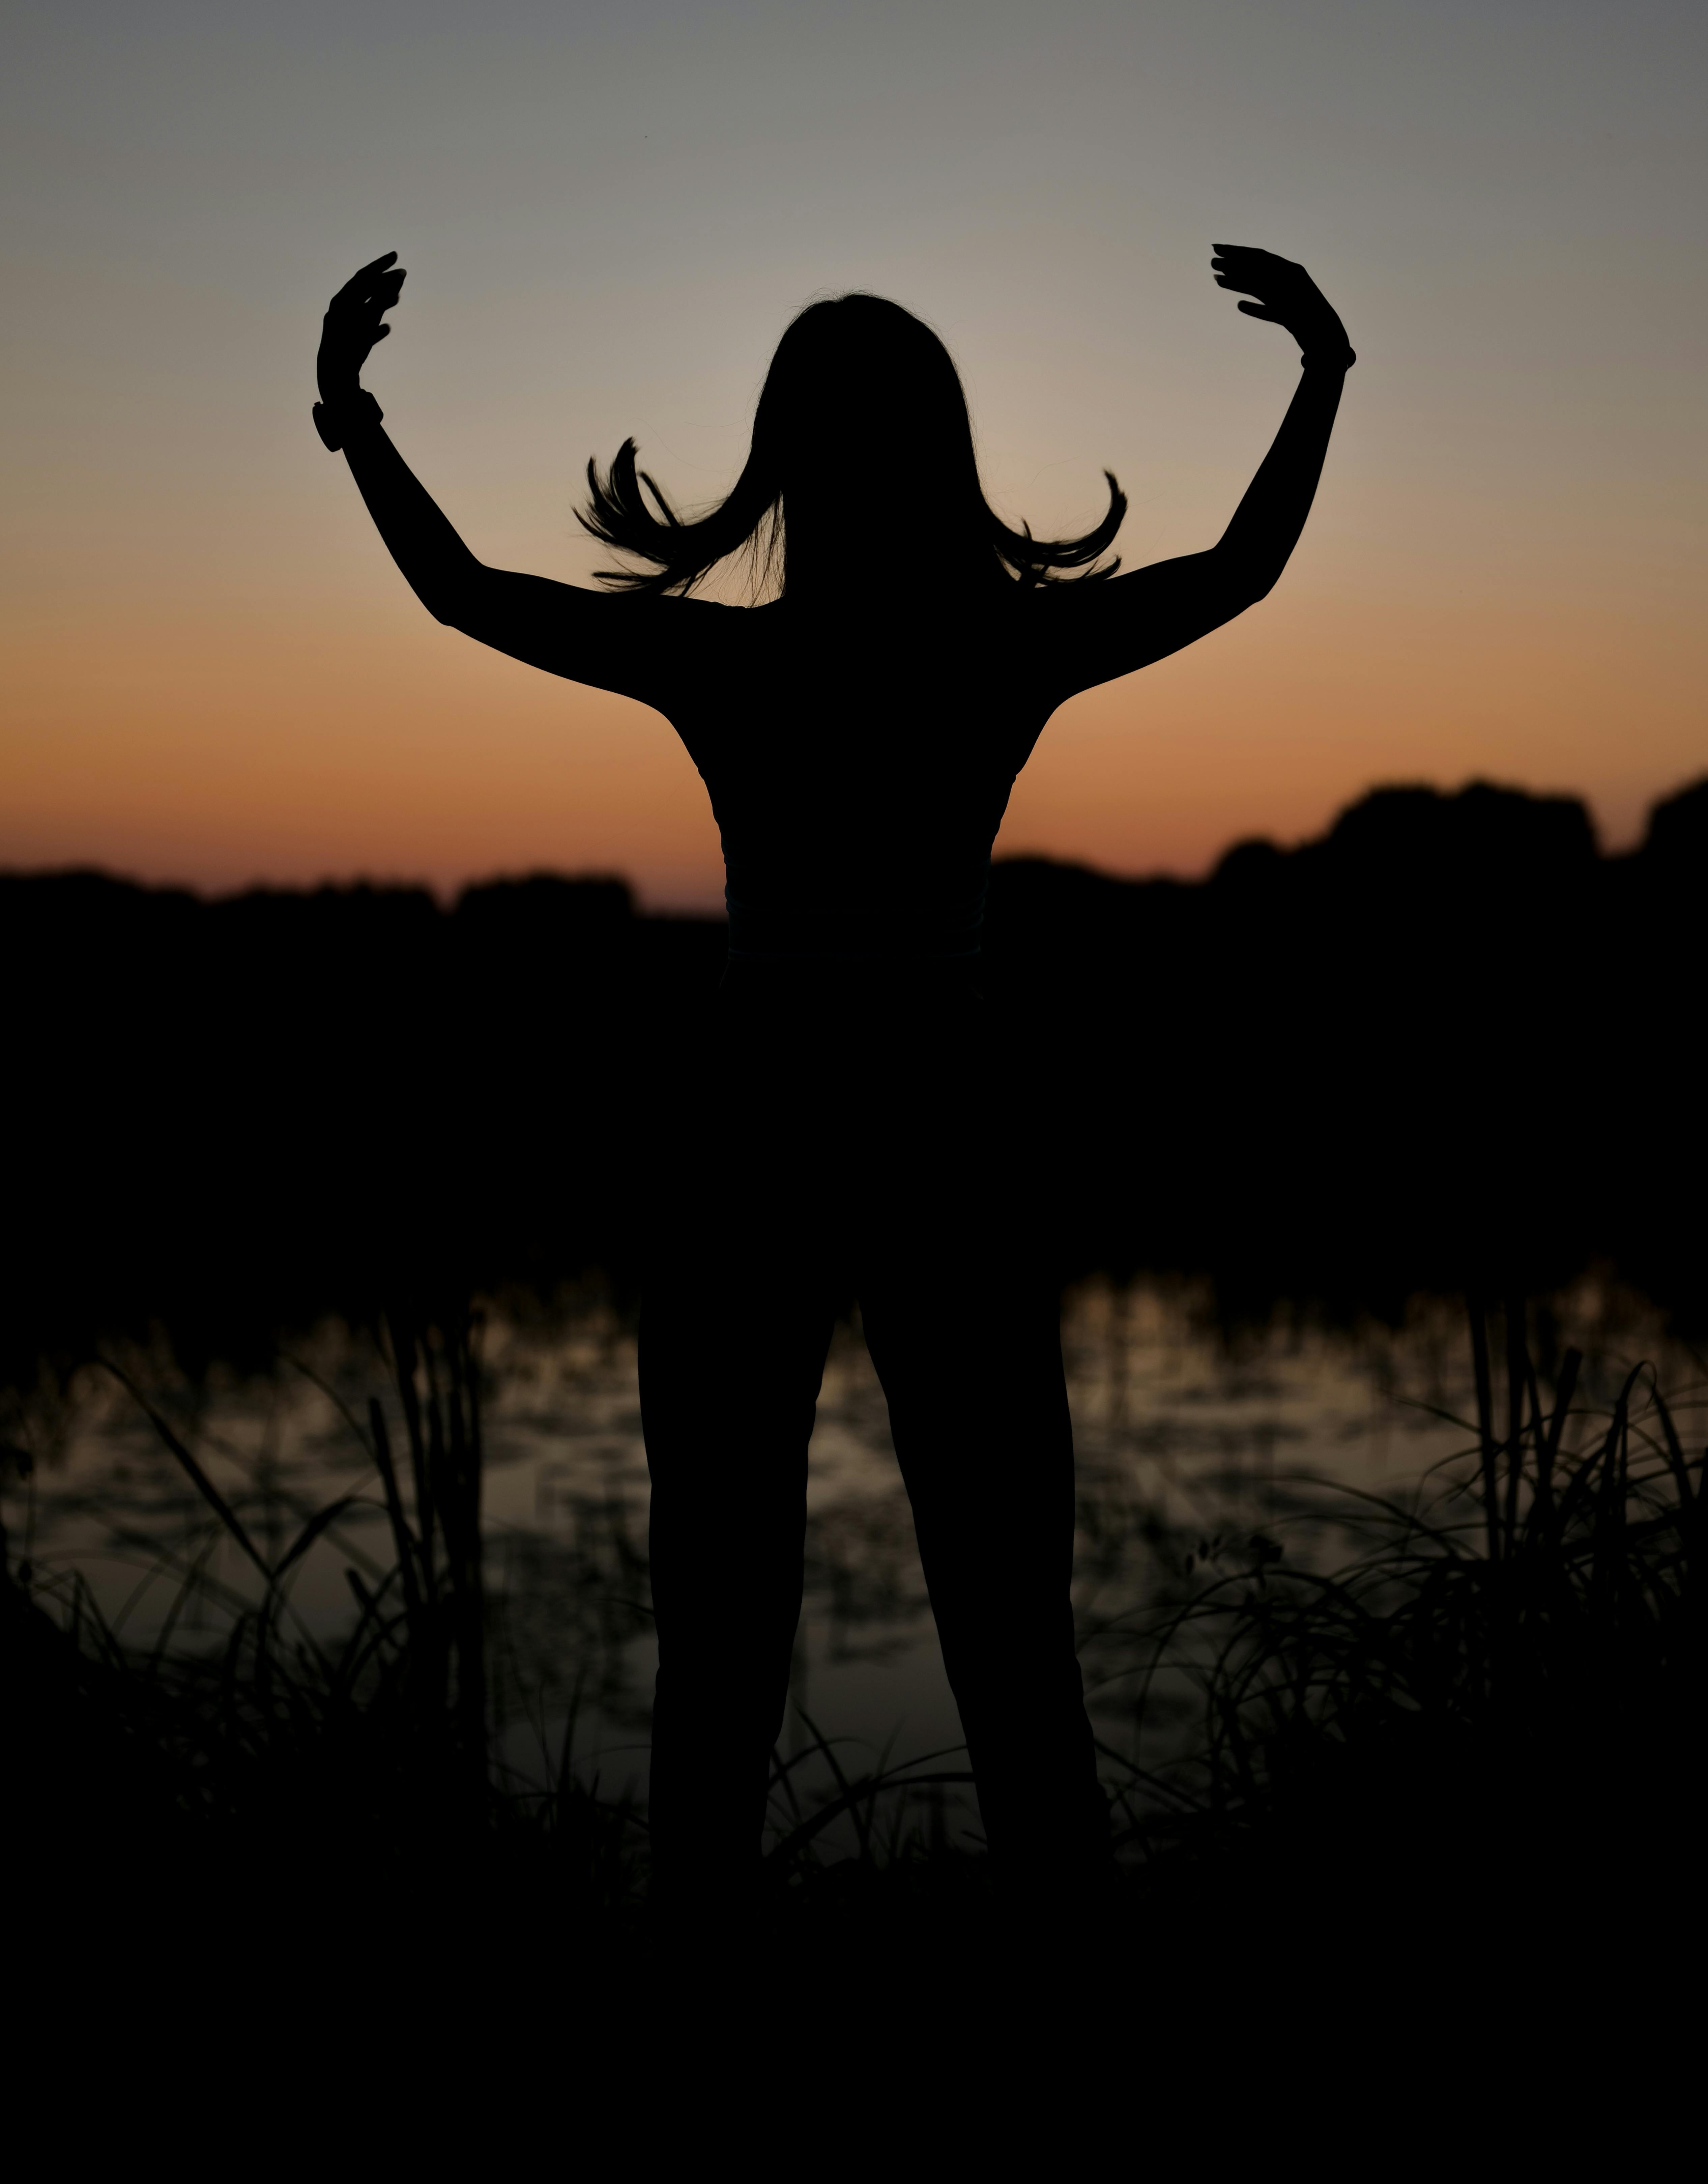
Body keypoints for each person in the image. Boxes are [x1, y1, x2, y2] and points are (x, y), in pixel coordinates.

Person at [313, 246, 1354, 1904]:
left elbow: (461, 590)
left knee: (724, 1615)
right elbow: (1237, 570)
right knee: (1007, 1620)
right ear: (940, 449)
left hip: (763, 1108)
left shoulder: (738, 664)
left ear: (785, 459)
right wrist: (1322, 376)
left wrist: (353, 419)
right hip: (940, 1102)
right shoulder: (998, 650)